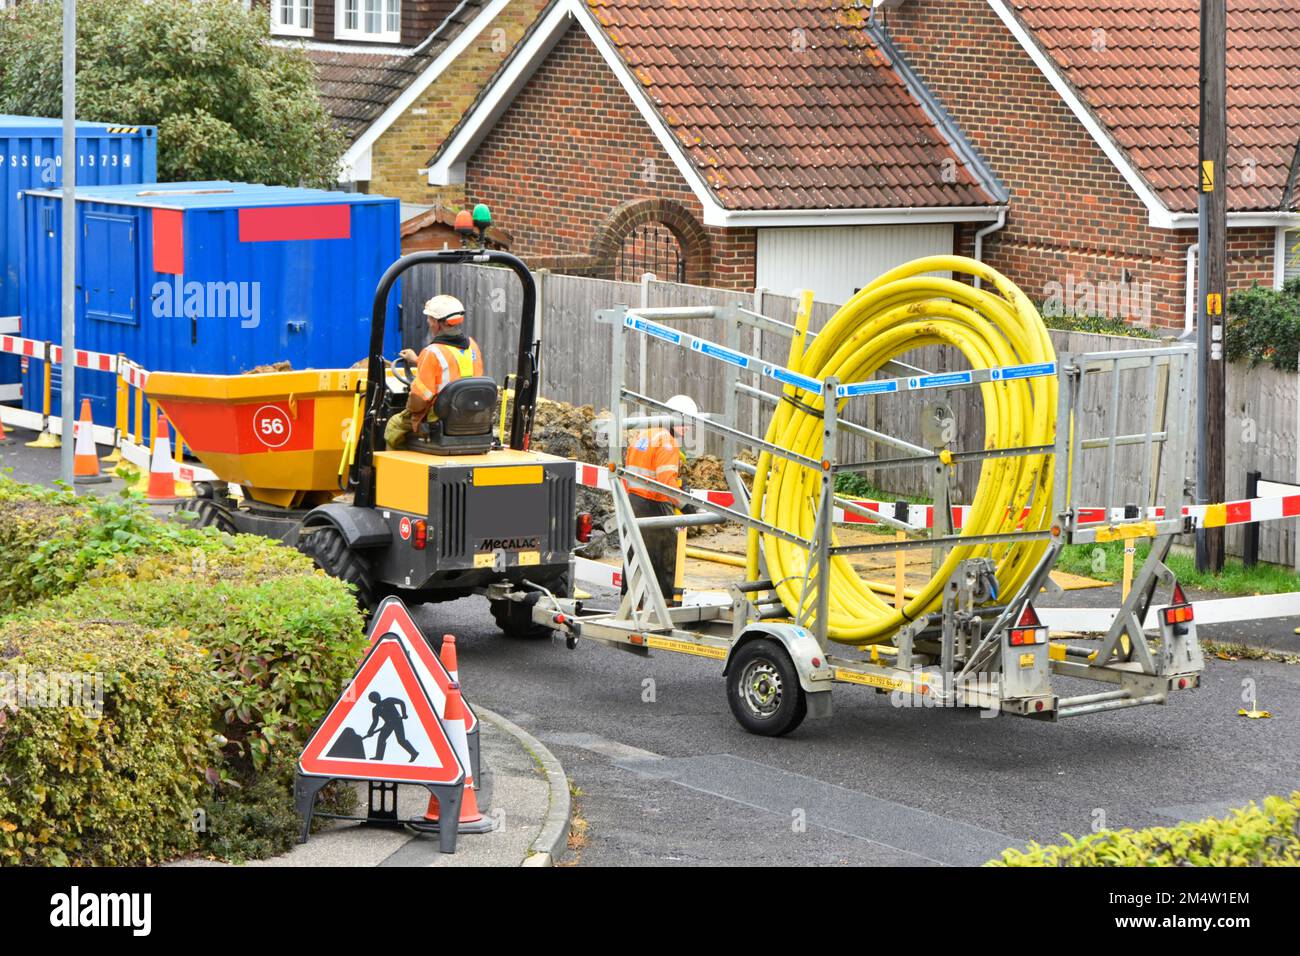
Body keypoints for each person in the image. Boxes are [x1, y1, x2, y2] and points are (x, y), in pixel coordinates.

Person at [622, 394, 698, 606]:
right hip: (651, 503)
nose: (688, 428)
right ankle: (668, 604)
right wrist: (687, 506)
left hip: (633, 500)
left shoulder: (644, 435)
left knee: (634, 554)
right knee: (666, 553)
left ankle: (629, 605)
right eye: (686, 422)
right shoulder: (667, 442)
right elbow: (665, 484)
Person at [384, 294, 484, 449]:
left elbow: (419, 399)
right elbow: (455, 370)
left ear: (438, 323)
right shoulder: (472, 346)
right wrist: (417, 360)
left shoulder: (432, 352)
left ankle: (395, 469)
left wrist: (408, 409)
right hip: (468, 416)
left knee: (393, 425)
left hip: (440, 419)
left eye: (430, 319)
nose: (428, 322)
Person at [362, 691, 419, 763]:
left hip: (397, 721)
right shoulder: (375, 709)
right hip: (388, 724)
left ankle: (414, 753)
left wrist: (404, 714)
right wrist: (370, 730)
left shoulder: (388, 700)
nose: (374, 699)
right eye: (372, 699)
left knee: (401, 740)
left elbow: (401, 702)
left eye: (374, 697)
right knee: (381, 739)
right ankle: (379, 756)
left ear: (379, 696)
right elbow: (375, 721)